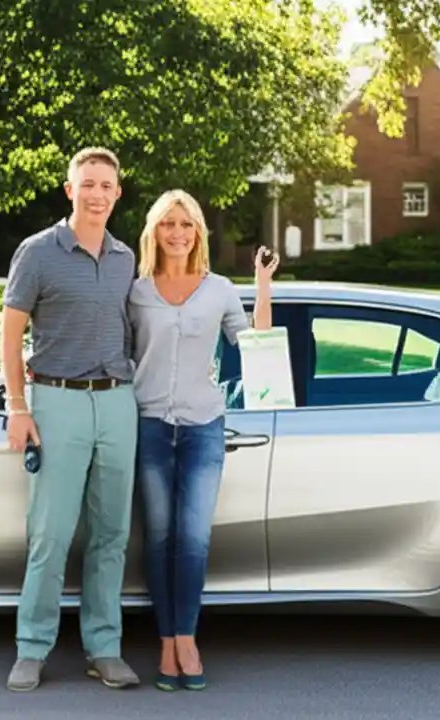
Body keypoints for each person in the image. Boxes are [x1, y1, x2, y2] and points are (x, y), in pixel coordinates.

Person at [0, 147, 141, 692]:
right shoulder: (38, 252)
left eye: (106, 185)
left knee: (111, 534)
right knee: (51, 533)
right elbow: (10, 334)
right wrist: (17, 407)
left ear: (117, 193)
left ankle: (104, 647)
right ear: (69, 190)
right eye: (87, 184)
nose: (96, 194)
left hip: (117, 402)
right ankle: (31, 647)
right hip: (55, 402)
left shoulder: (128, 257)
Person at [127, 189, 279, 691]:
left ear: (198, 232)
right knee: (160, 538)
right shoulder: (138, 291)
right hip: (149, 425)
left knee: (193, 539)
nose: (177, 233)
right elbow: (120, 356)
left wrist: (262, 285)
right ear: (155, 232)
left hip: (202, 428)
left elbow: (254, 344)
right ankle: (166, 643)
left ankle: (186, 640)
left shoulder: (218, 290)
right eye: (168, 223)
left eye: (186, 224)